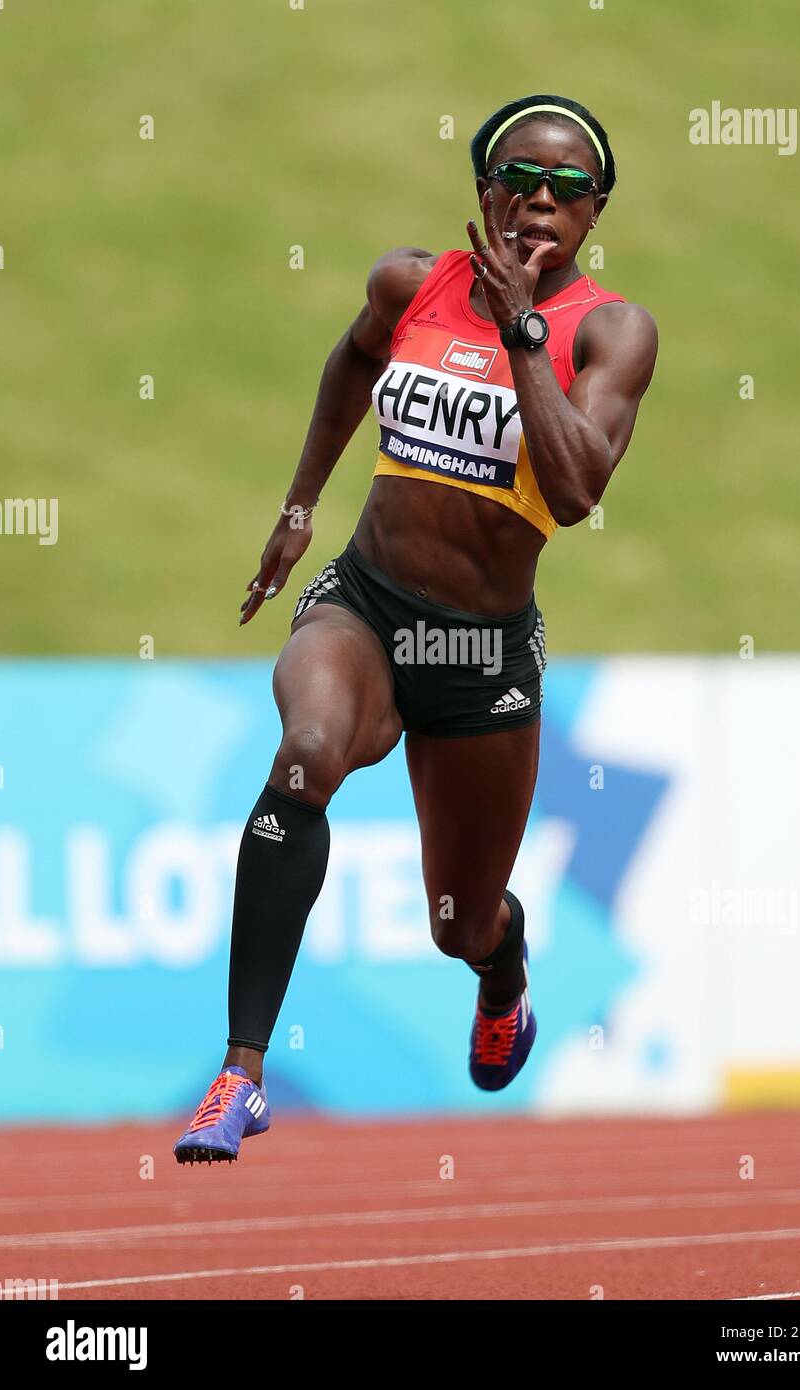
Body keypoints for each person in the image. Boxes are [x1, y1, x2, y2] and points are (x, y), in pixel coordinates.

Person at [174, 93, 657, 1163]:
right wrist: (299, 508)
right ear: (482, 190)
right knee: (301, 757)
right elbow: (352, 360)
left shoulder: (611, 331)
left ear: (595, 212)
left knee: (459, 921)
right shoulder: (412, 284)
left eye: (568, 188)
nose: (541, 199)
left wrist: (524, 331)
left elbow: (576, 489)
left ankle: (502, 970)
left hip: (481, 654)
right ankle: (240, 1074)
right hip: (366, 604)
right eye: (519, 178)